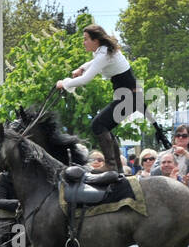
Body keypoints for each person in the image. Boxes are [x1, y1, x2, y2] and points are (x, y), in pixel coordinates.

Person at [56, 23, 166, 173]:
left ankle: (111, 165)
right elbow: (94, 63)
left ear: (96, 40)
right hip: (131, 97)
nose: (84, 42)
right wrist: (82, 67)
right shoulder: (104, 51)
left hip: (130, 98)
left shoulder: (103, 54)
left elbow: (85, 80)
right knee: (104, 126)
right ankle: (117, 168)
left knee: (97, 125)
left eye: (86, 39)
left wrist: (65, 83)